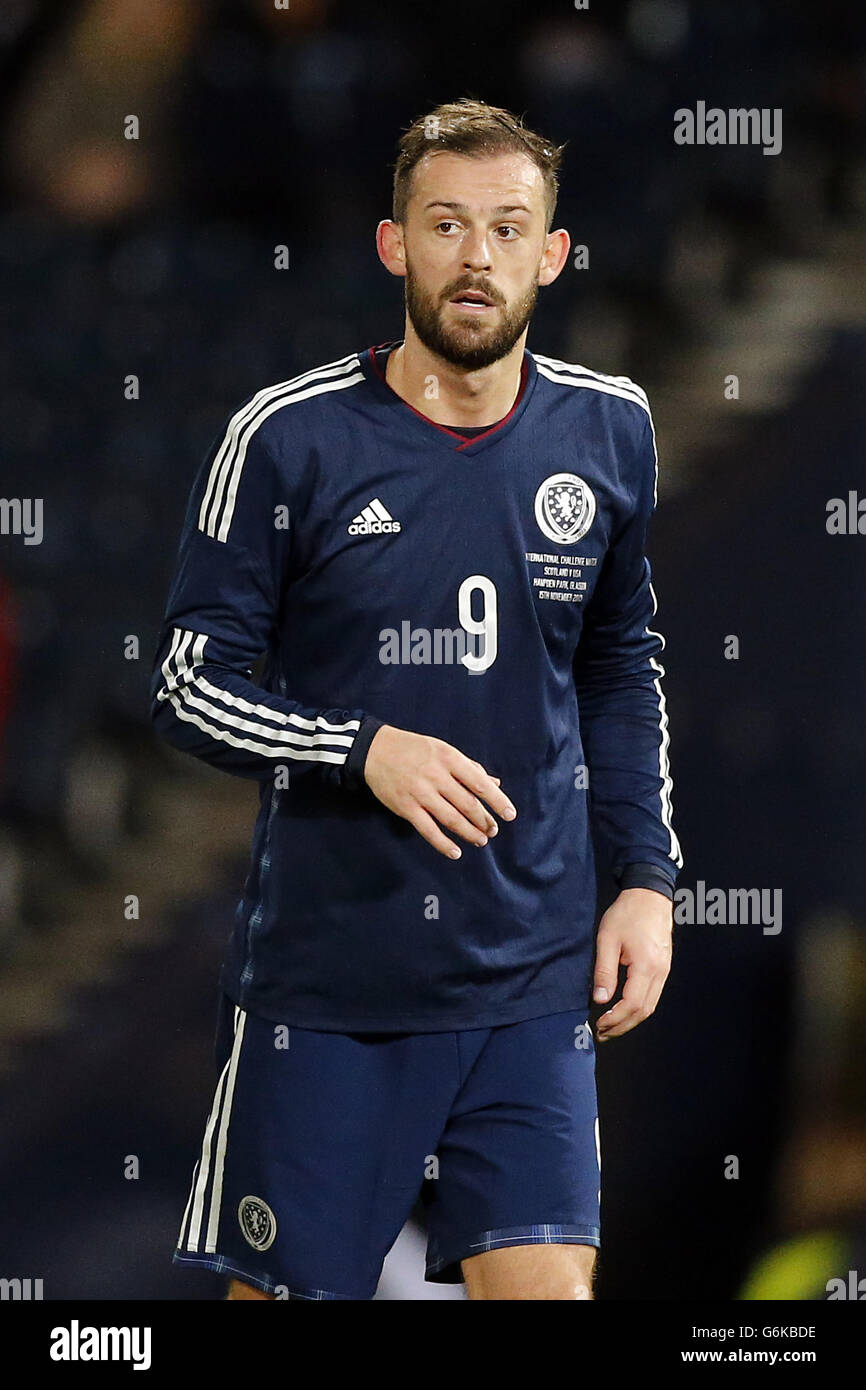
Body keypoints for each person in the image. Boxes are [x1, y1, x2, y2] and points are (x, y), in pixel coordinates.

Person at [150, 98, 682, 1301]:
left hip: (531, 983)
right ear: (395, 245)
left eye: (506, 228)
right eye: (445, 224)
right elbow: (187, 683)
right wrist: (360, 749)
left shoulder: (608, 429)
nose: (475, 256)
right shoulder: (286, 438)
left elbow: (618, 664)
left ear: (549, 254)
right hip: (330, 992)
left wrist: (644, 879)